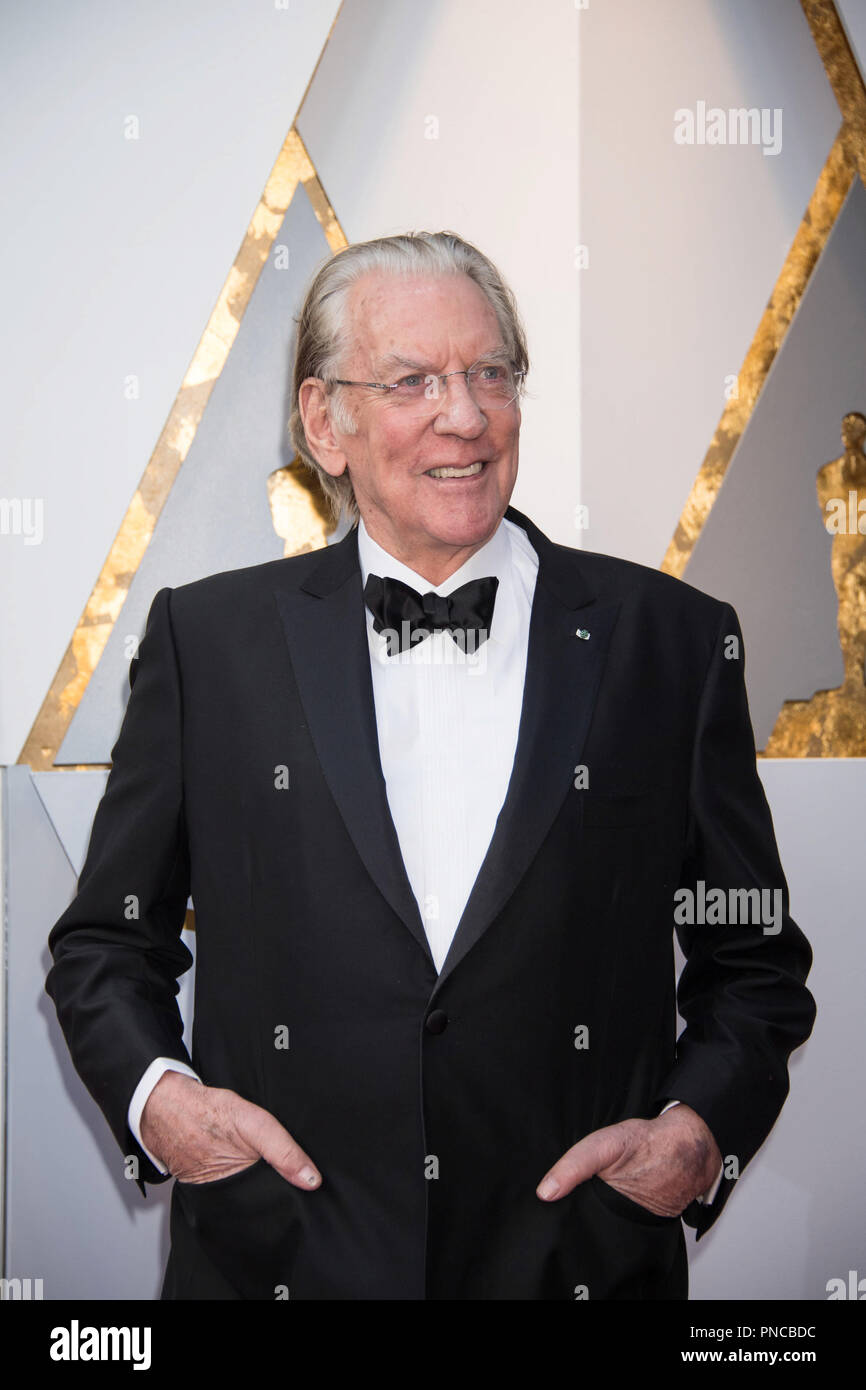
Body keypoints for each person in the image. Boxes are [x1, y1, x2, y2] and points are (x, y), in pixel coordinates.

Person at [46, 231, 815, 1300]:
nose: (465, 416)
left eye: (489, 373)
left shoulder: (670, 641)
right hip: (277, 1267)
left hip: (575, 1269)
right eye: (412, 380)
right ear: (326, 422)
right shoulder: (207, 643)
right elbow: (104, 944)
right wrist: (161, 1100)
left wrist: (694, 1135)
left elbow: (753, 961)